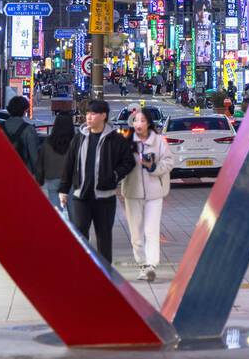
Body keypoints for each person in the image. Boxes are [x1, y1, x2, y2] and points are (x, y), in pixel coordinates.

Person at [59, 99, 135, 264]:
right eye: (87, 113)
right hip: (81, 196)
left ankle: (105, 272)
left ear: (103, 116)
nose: (88, 117)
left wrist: (114, 175)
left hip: (105, 198)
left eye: (93, 113)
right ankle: (83, 269)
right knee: (80, 234)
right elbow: (69, 163)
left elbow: (129, 162)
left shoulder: (115, 139)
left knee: (104, 237)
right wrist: (63, 190)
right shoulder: (79, 138)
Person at [120, 109, 173, 281]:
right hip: (132, 192)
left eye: (142, 120)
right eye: (136, 120)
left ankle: (151, 265)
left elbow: (169, 162)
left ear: (148, 123)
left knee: (151, 230)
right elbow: (118, 163)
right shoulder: (126, 142)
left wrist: (153, 167)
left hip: (155, 193)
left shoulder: (158, 141)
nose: (139, 124)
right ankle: (142, 264)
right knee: (136, 233)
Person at [36, 111, 75, 207]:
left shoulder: (48, 142)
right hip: (72, 180)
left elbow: (41, 161)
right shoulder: (76, 141)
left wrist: (39, 179)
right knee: (75, 215)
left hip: (52, 178)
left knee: (56, 210)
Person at [1, 96, 40, 177]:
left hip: (3, 172)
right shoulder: (28, 129)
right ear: (24, 110)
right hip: (23, 173)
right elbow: (34, 157)